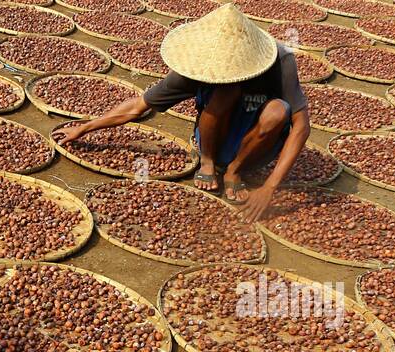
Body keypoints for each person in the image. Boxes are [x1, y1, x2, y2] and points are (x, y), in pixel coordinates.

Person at [55, 2, 309, 222]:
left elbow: (301, 126)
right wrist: (85, 127)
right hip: (215, 135)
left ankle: (234, 169)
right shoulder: (199, 65)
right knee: (225, 93)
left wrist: (270, 186)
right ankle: (209, 161)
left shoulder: (280, 60)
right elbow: (138, 106)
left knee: (279, 110)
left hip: (258, 144)